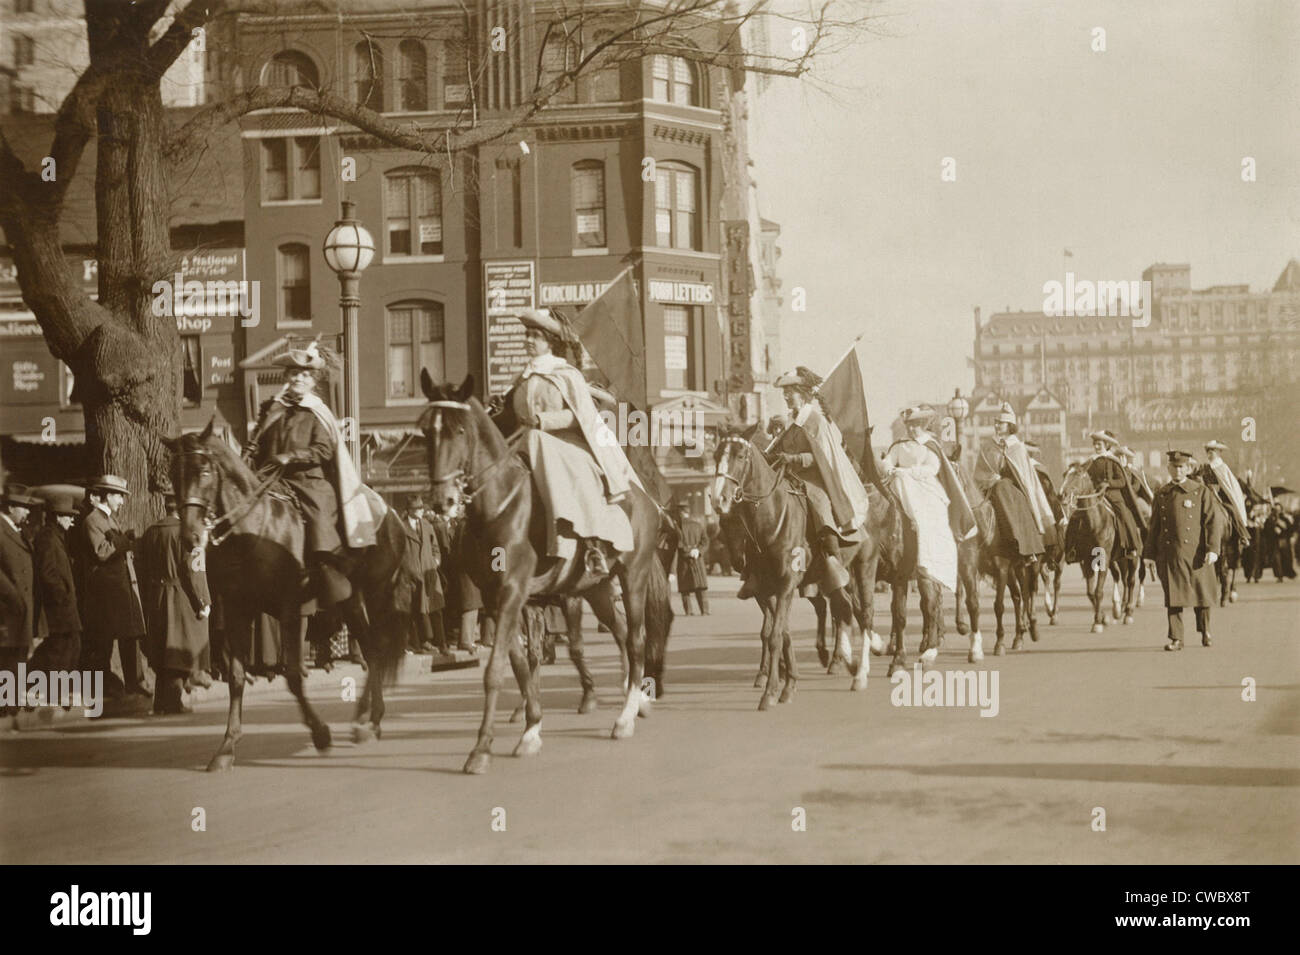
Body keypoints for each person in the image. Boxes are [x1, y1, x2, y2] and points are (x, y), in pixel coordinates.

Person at [501, 307, 638, 575]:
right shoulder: (522, 378)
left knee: (574, 476)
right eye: (527, 335)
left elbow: (581, 416)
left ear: (549, 342)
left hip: (560, 442)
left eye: (535, 336)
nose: (529, 340)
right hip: (525, 441)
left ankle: (592, 544)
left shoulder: (565, 374)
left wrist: (544, 421)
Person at [249, 341, 379, 612]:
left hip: (308, 480)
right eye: (293, 373)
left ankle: (324, 567)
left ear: (312, 380)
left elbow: (323, 449)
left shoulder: (317, 411)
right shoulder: (272, 409)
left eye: (304, 374)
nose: (297, 378)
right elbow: (259, 447)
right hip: (272, 479)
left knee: (319, 511)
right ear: (285, 377)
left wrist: (291, 456)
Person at [768, 366, 871, 590]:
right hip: (788, 478)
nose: (786, 396)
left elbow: (821, 457)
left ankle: (833, 560)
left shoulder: (814, 420)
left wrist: (794, 459)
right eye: (784, 392)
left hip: (813, 479)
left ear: (802, 393)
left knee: (820, 506)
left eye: (789, 392)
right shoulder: (789, 421)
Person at [880, 407, 978, 593]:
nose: (911, 429)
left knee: (931, 507)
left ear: (922, 425)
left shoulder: (930, 445)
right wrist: (889, 469)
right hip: (899, 481)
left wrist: (907, 472)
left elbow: (932, 468)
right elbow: (888, 461)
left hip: (924, 486)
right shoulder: (900, 444)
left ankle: (924, 535)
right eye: (908, 425)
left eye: (915, 425)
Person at [138, 476, 211, 715]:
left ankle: (162, 701)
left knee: (162, 649)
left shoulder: (150, 532)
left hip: (157, 596)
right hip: (181, 596)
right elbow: (195, 570)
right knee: (180, 649)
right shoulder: (188, 535)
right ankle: (172, 701)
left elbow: (142, 568)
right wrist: (203, 601)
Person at [1144, 451, 1225, 650]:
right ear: (1169, 469)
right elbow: (1154, 526)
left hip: (1197, 553)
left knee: (1202, 594)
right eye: (1174, 467)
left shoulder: (1200, 491)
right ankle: (1176, 638)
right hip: (1170, 554)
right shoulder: (1163, 493)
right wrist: (1149, 554)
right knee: (1173, 596)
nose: (1177, 470)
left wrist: (1213, 549)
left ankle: (1205, 630)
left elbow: (1212, 522)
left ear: (1188, 469)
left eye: (1181, 467)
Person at [77, 475, 149, 699]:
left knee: (129, 637)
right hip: (105, 593)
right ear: (107, 496)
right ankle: (100, 687)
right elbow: (102, 552)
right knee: (104, 641)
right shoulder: (93, 520)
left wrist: (123, 540)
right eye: (119, 496)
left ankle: (134, 682)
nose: (122, 501)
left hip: (121, 589)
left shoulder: (108, 519)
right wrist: (123, 541)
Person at [984, 405, 1053, 559]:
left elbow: (1024, 477)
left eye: (1000, 423)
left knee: (1003, 487)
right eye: (996, 422)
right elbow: (981, 469)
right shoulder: (989, 446)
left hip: (1013, 489)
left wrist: (1002, 480)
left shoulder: (1018, 448)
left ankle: (1021, 541)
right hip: (990, 486)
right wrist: (991, 477)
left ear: (1009, 426)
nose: (996, 425)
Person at [29, 491, 82, 678]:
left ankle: (34, 684)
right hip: (58, 610)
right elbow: (48, 573)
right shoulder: (48, 538)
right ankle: (47, 690)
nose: (72, 520)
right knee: (61, 650)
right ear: (58, 516)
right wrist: (63, 596)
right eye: (69, 516)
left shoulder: (55, 537)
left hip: (63, 608)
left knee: (65, 648)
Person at [0, 489, 39, 720]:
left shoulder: (17, 530)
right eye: (23, 507)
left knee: (18, 655)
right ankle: (6, 706)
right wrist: (13, 596)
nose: (26, 512)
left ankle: (11, 703)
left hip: (20, 607)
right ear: (10, 508)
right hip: (7, 607)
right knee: (8, 657)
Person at [1085, 430, 1147, 559]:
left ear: (1107, 445)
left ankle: (1131, 546)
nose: (1096, 447)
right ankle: (1075, 548)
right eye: (1094, 444)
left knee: (1124, 514)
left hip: (1113, 496)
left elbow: (1122, 481)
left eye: (1099, 444)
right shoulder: (1091, 461)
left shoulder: (1112, 461)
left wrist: (1108, 483)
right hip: (1095, 495)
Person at [398, 494, 440, 653]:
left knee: (426, 609)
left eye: (422, 508)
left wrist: (436, 561)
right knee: (411, 610)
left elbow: (435, 547)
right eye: (417, 508)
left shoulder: (427, 526)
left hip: (427, 573)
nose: (421, 511)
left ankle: (426, 641)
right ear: (409, 510)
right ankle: (412, 643)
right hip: (409, 575)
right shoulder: (401, 527)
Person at [1197, 440, 1250, 553]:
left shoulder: (1222, 467)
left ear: (1218, 452)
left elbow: (1228, 484)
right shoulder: (1204, 467)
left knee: (1232, 510)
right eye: (1208, 451)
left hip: (1221, 496)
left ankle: (1242, 535)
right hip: (1206, 494)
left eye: (1212, 451)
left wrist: (1216, 492)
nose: (1209, 454)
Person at [675, 501, 710, 615]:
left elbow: (678, 544)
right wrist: (698, 551)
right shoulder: (698, 525)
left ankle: (689, 611)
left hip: (684, 560)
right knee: (701, 586)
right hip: (697, 559)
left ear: (680, 512)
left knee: (685, 589)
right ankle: (705, 611)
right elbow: (705, 541)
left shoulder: (677, 527)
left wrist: (687, 551)